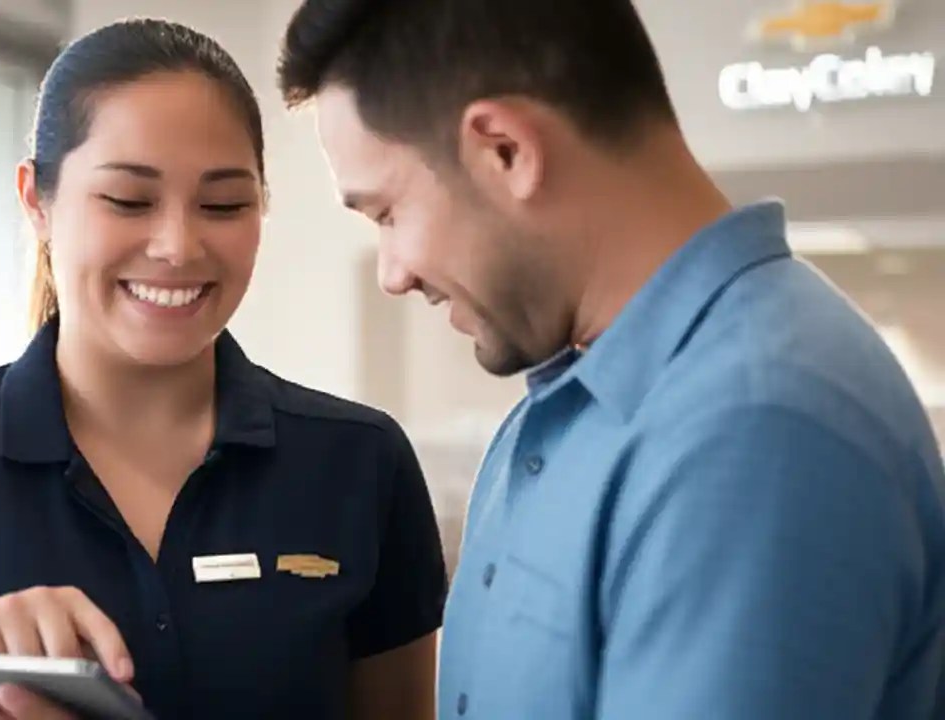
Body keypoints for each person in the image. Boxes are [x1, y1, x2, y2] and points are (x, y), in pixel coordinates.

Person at [277, 0, 945, 718]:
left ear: (504, 149)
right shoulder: (575, 401)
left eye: (386, 214)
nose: (393, 273)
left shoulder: (759, 427)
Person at [0, 19, 445, 720]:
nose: (178, 246)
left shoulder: (360, 463)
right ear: (37, 201)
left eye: (223, 204)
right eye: (128, 200)